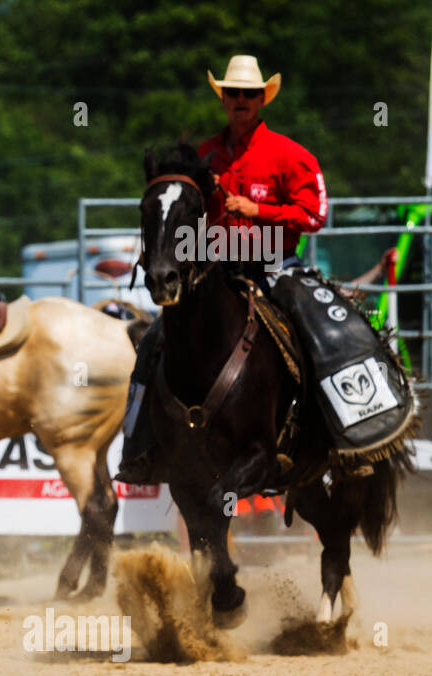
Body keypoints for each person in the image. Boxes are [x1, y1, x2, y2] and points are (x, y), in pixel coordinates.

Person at [117, 55, 327, 485]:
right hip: (213, 267)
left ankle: (334, 434)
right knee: (154, 341)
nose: (240, 100)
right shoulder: (206, 156)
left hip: (274, 264)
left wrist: (259, 210)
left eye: (249, 93)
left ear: (262, 99)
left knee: (319, 333)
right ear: (224, 99)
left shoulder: (290, 155)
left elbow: (315, 214)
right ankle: (139, 449)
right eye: (233, 93)